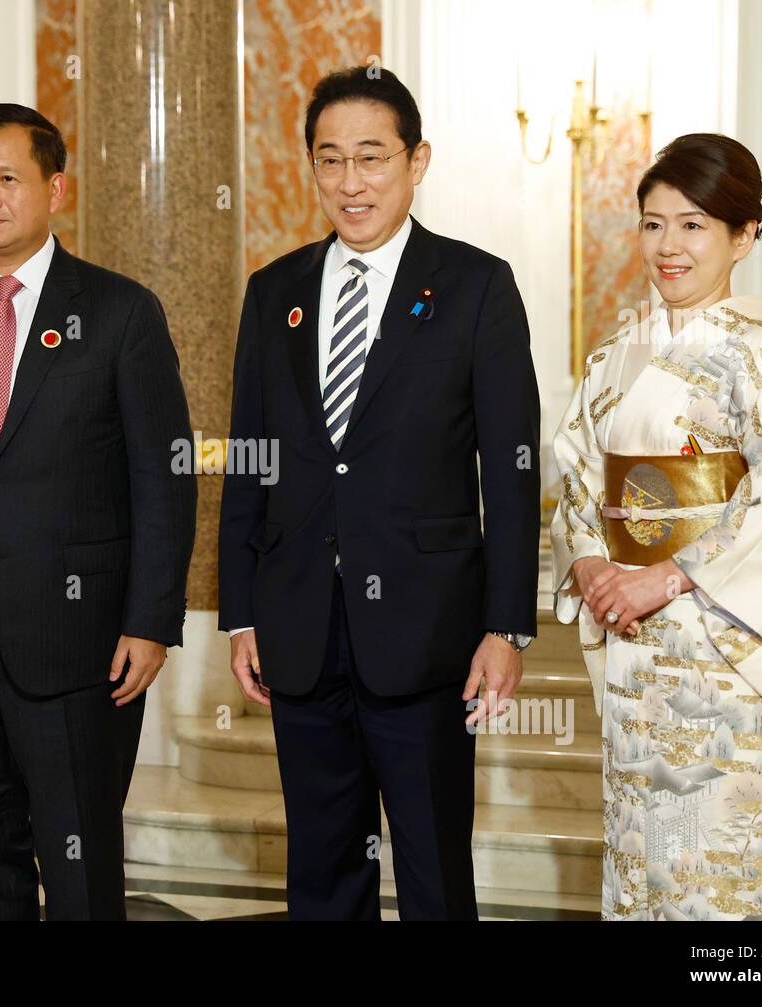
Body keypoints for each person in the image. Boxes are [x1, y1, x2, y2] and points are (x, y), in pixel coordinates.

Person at [218, 67, 541, 920]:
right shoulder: (274, 290)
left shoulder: (477, 286)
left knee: (434, 870)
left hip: (429, 632)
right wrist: (240, 609)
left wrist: (506, 625)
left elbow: (511, 471)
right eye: (331, 161)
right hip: (299, 627)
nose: (351, 183)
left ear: (417, 159)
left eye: (372, 158)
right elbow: (250, 458)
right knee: (321, 870)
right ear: (311, 167)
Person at [0, 103, 196, 921]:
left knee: (81, 868)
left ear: (55, 188)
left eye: (8, 178)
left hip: (79, 643)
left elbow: (164, 478)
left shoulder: (122, 313)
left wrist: (152, 620)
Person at [549, 133, 762, 920]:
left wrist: (668, 574)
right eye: (653, 223)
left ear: (743, 236)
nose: (668, 246)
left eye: (693, 225)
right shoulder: (617, 351)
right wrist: (588, 563)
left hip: (722, 656)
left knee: (722, 875)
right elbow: (577, 471)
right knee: (645, 861)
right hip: (635, 648)